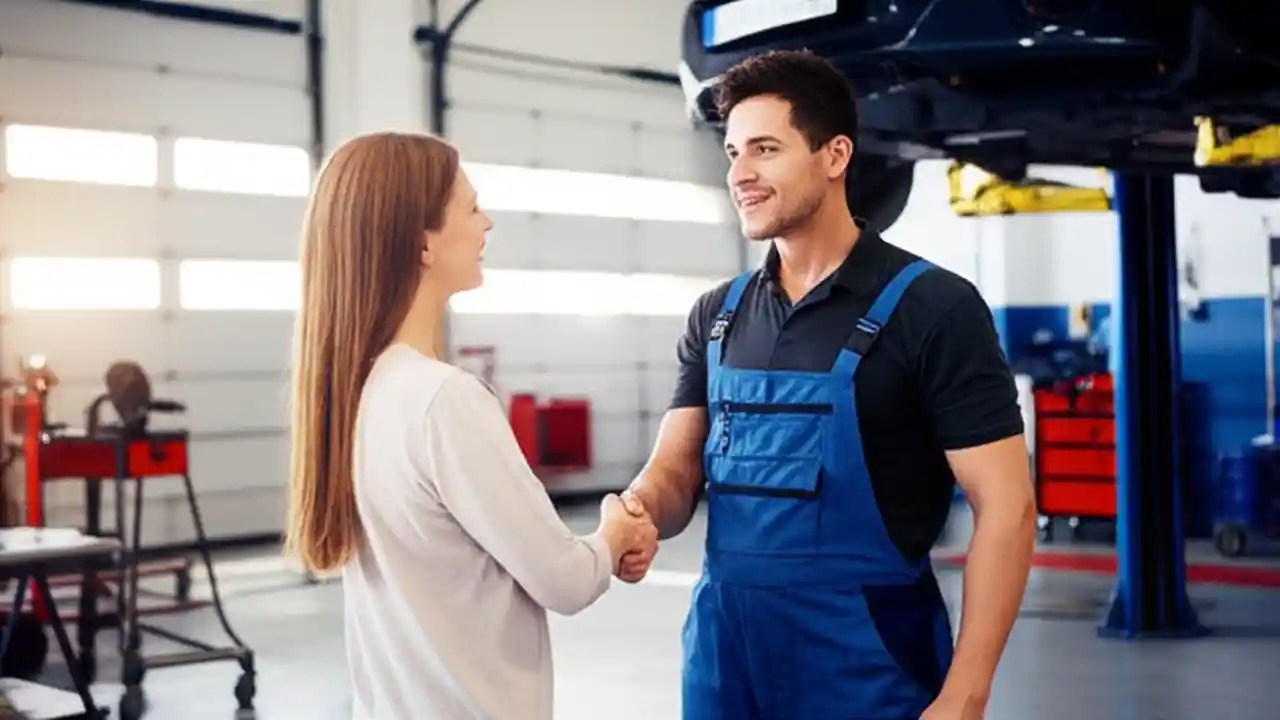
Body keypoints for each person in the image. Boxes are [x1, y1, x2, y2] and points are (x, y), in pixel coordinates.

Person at [618, 50, 1036, 719]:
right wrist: (635, 513)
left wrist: (966, 692)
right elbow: (675, 471)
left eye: (764, 149)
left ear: (835, 154)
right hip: (724, 660)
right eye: (731, 152)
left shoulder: (934, 308)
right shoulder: (718, 317)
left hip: (867, 662)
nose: (740, 175)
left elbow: (1007, 508)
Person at [283, 131, 658, 720]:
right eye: (471, 207)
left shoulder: (359, 395)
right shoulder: (444, 401)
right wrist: (615, 529)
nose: (487, 223)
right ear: (422, 243)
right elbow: (566, 580)